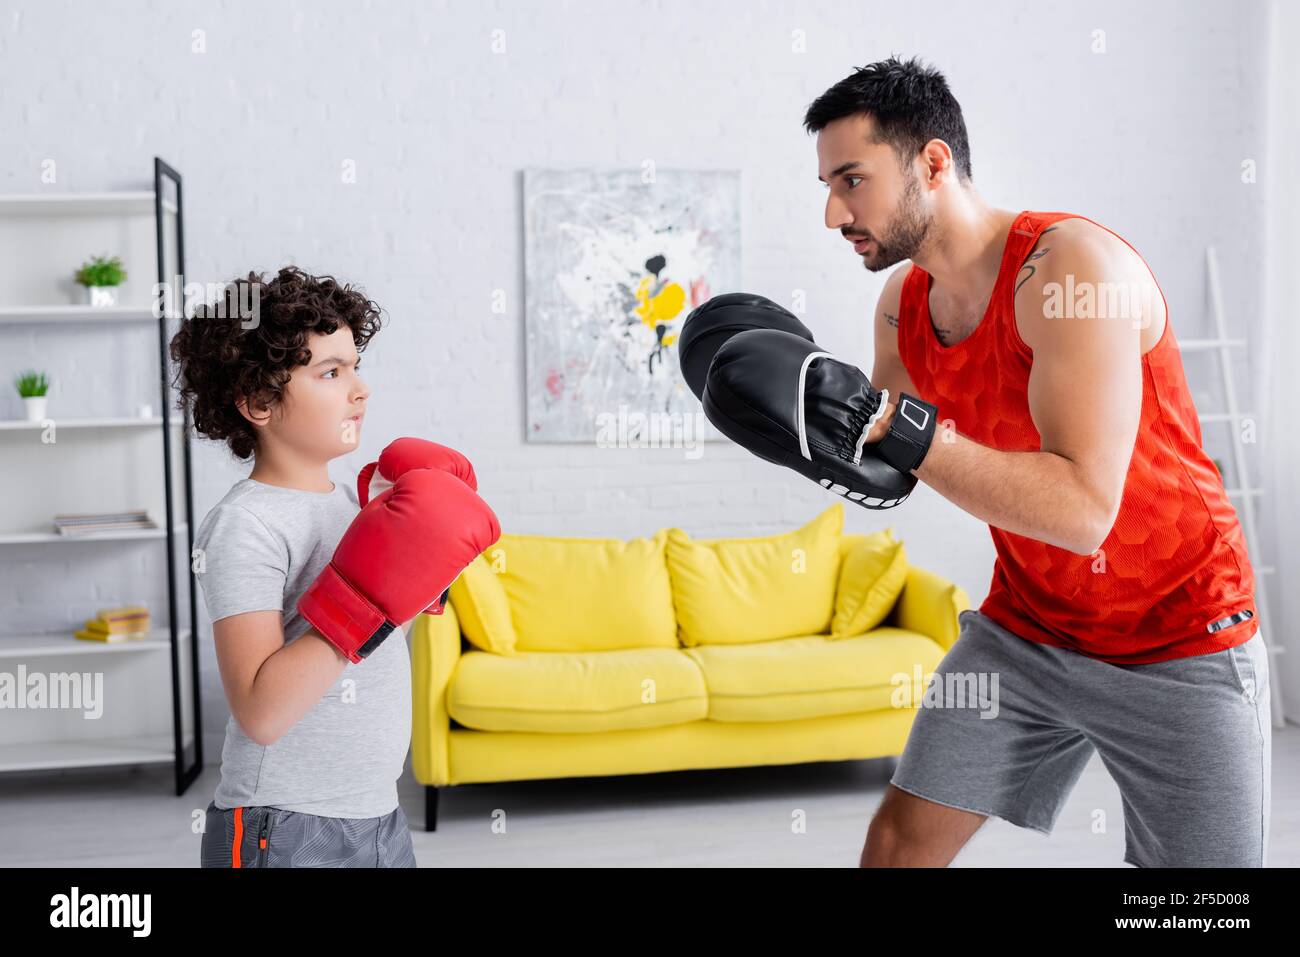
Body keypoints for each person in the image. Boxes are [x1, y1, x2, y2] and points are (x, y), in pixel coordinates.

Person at [683, 56, 1268, 867]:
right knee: (895, 851)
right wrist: (807, 432)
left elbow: (1081, 509)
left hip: (1181, 636)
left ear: (932, 162)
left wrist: (897, 427)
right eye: (826, 184)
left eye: (851, 180)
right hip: (1029, 632)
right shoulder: (900, 306)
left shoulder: (1070, 270)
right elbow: (890, 462)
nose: (831, 212)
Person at [172, 267, 497, 867]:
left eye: (355, 365)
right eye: (330, 372)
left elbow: (376, 640)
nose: (360, 389)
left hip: (377, 811)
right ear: (259, 402)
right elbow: (261, 711)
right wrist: (363, 604)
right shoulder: (248, 524)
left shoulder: (356, 505)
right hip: (283, 821)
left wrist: (425, 572)